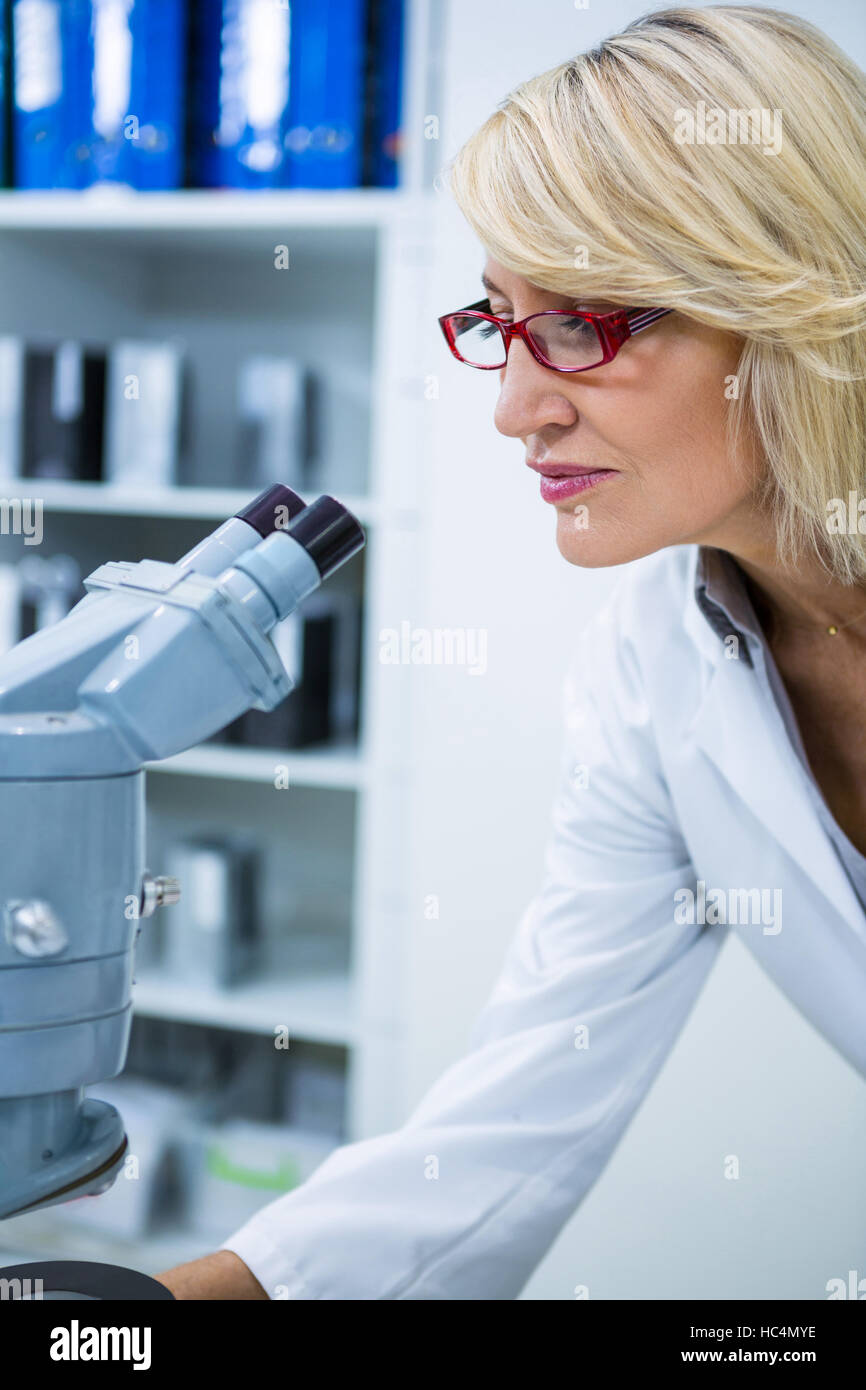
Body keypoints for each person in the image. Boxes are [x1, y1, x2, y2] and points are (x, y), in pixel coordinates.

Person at [156, 4, 866, 1299]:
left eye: (586, 323)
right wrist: (150, 1313)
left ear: (792, 304)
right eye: (498, 322)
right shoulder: (656, 669)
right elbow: (509, 1125)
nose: (513, 408)